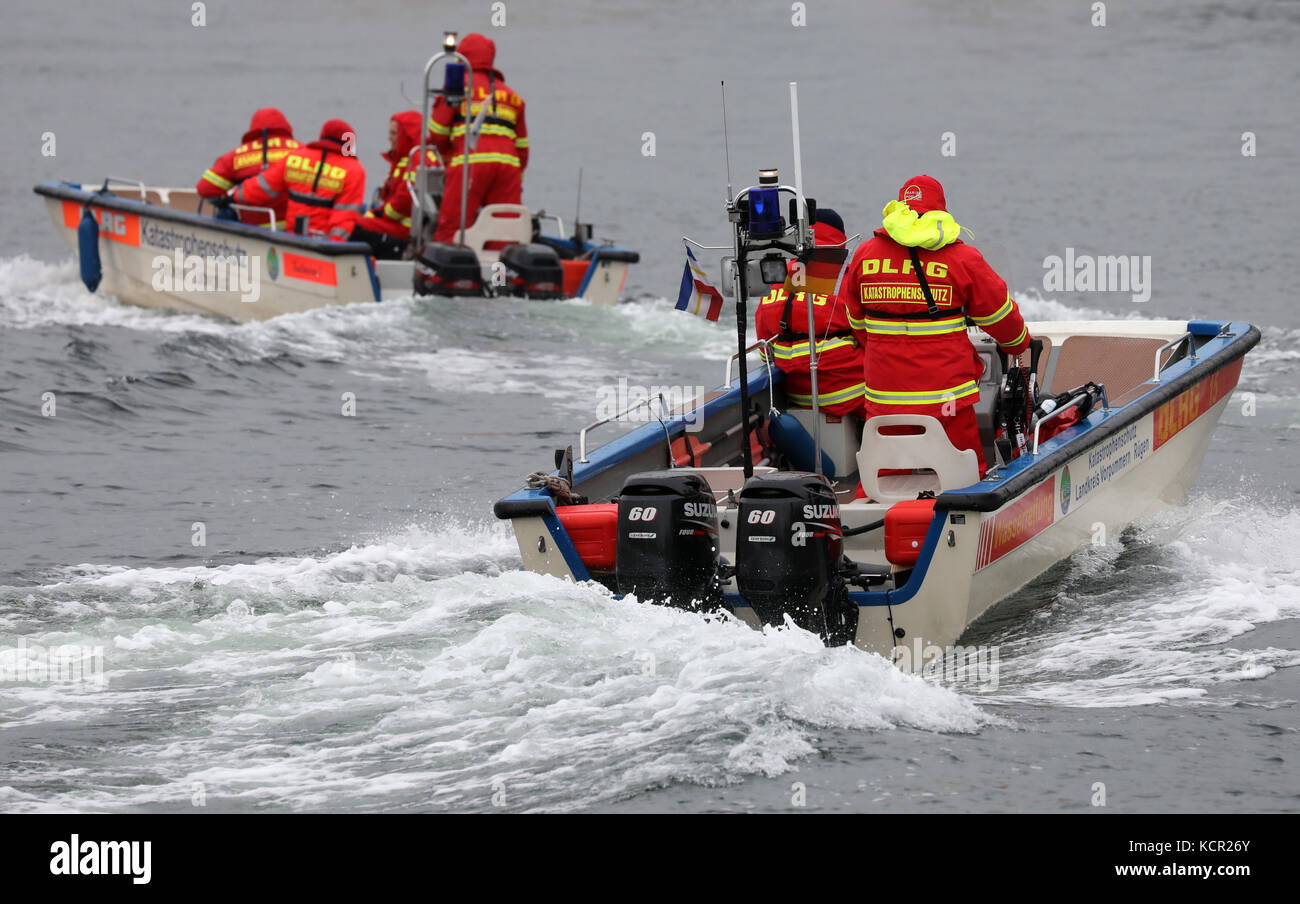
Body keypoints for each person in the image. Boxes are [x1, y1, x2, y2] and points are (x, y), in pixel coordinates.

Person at [839, 175, 1031, 475]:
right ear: (941, 209)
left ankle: (881, 512)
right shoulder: (961, 258)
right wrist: (1019, 342)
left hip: (885, 401)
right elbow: (1002, 320)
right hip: (948, 402)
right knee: (962, 475)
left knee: (886, 474)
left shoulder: (865, 255)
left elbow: (854, 321)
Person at [755, 208, 866, 417]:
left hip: (795, 394)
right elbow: (867, 336)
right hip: (850, 391)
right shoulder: (846, 276)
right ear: (840, 238)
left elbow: (764, 348)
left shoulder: (778, 276)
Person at [429, 32, 528, 243]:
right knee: (505, 232)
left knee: (453, 230)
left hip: (468, 164)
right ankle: (503, 273)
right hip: (507, 167)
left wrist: (449, 159)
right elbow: (522, 148)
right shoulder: (513, 97)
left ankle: (451, 272)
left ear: (461, 55)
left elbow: (437, 133)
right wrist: (516, 175)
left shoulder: (455, 89)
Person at [234, 119, 366, 241]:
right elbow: (344, 216)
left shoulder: (296, 157)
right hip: (324, 245)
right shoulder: (354, 170)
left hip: (293, 239)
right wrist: (332, 247)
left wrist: (233, 195)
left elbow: (261, 187)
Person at [352, 110, 441, 258]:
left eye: (393, 134)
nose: (389, 138)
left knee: (351, 226)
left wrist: (380, 214)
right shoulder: (412, 157)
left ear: (407, 135)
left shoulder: (417, 158)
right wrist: (376, 213)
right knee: (355, 220)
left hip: (403, 229)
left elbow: (405, 200)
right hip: (400, 224)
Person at [196, 108, 301, 228]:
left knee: (224, 213)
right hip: (296, 233)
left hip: (252, 232)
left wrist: (225, 203)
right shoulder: (302, 152)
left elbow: (205, 188)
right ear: (285, 126)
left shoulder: (235, 156)